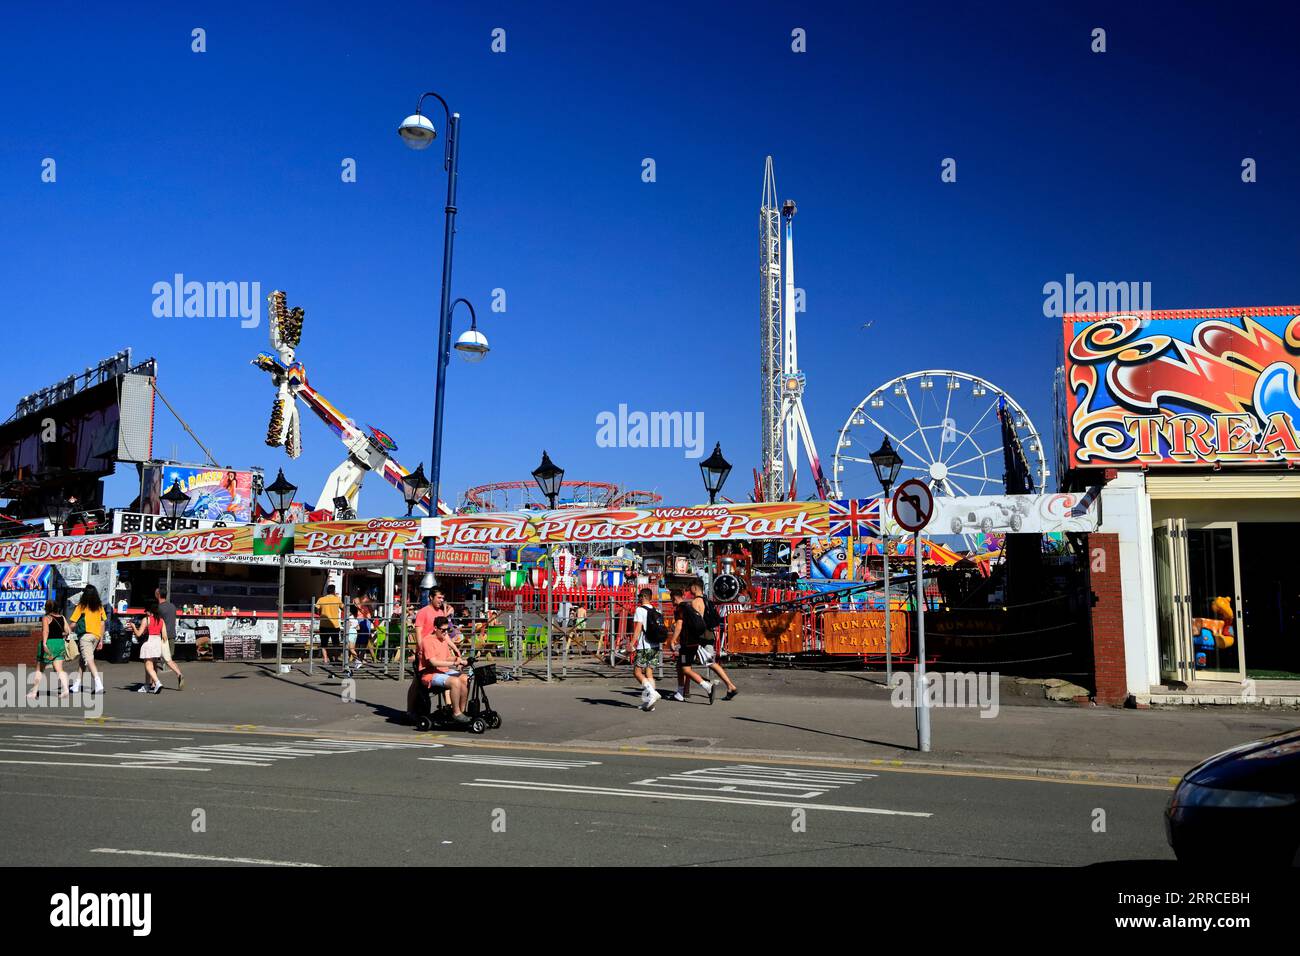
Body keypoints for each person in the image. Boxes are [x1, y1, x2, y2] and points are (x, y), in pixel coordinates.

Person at [406, 609, 470, 724]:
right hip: (430, 674)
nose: (446, 633)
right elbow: (433, 662)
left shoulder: (443, 640)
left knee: (465, 678)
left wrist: (459, 660)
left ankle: (462, 711)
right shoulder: (427, 641)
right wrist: (453, 663)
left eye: (447, 630)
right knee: (455, 682)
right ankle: (456, 713)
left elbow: (447, 658)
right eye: (443, 630)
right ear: (435, 628)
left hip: (442, 671)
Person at [688, 579, 738, 700]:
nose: (689, 590)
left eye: (690, 587)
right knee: (709, 663)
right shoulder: (707, 600)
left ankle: (685, 691)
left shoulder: (695, 602)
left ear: (695, 588)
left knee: (685, 665)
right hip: (709, 635)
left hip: (700, 637)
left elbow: (697, 623)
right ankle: (729, 686)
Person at [630, 588, 665, 711]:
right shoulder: (656, 610)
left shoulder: (640, 610)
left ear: (644, 597)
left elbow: (638, 628)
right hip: (655, 645)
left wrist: (632, 643)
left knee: (637, 672)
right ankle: (650, 703)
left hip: (644, 646)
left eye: (640, 596)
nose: (638, 598)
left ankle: (652, 693)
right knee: (649, 673)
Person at [28, 599, 71, 700]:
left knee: (40, 669)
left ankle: (34, 692)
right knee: (59, 668)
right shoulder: (62, 617)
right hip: (59, 643)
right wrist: (61, 635)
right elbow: (68, 631)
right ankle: (65, 689)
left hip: (49, 643)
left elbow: (46, 631)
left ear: (47, 608)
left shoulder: (46, 618)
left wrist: (44, 643)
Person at [68, 585, 107, 695]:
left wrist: (65, 631)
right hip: (96, 636)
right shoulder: (99, 606)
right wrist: (101, 639)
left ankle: (99, 684)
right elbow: (102, 623)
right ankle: (76, 685)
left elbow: (73, 623)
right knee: (83, 660)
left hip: (85, 637)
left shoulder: (81, 606)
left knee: (89, 660)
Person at [128, 603, 167, 694]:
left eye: (147, 611)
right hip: (157, 642)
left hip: (149, 642)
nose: (146, 613)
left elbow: (138, 634)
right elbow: (164, 636)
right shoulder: (161, 620)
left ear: (150, 611)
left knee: (148, 666)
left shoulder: (146, 620)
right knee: (152, 664)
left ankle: (157, 682)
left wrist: (133, 627)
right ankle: (147, 686)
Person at [154, 587, 185, 690]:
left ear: (158, 594)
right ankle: (179, 674)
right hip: (172, 635)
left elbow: (157, 623)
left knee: (153, 659)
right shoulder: (172, 606)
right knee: (169, 660)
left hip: (161, 636)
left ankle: (154, 683)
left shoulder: (159, 608)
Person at [316, 584, 342, 664]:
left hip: (324, 625)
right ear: (334, 591)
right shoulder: (337, 599)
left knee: (324, 643)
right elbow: (344, 607)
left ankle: (325, 659)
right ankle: (336, 658)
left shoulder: (321, 599)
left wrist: (321, 612)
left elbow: (317, 610)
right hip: (334, 625)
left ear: (327, 591)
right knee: (336, 643)